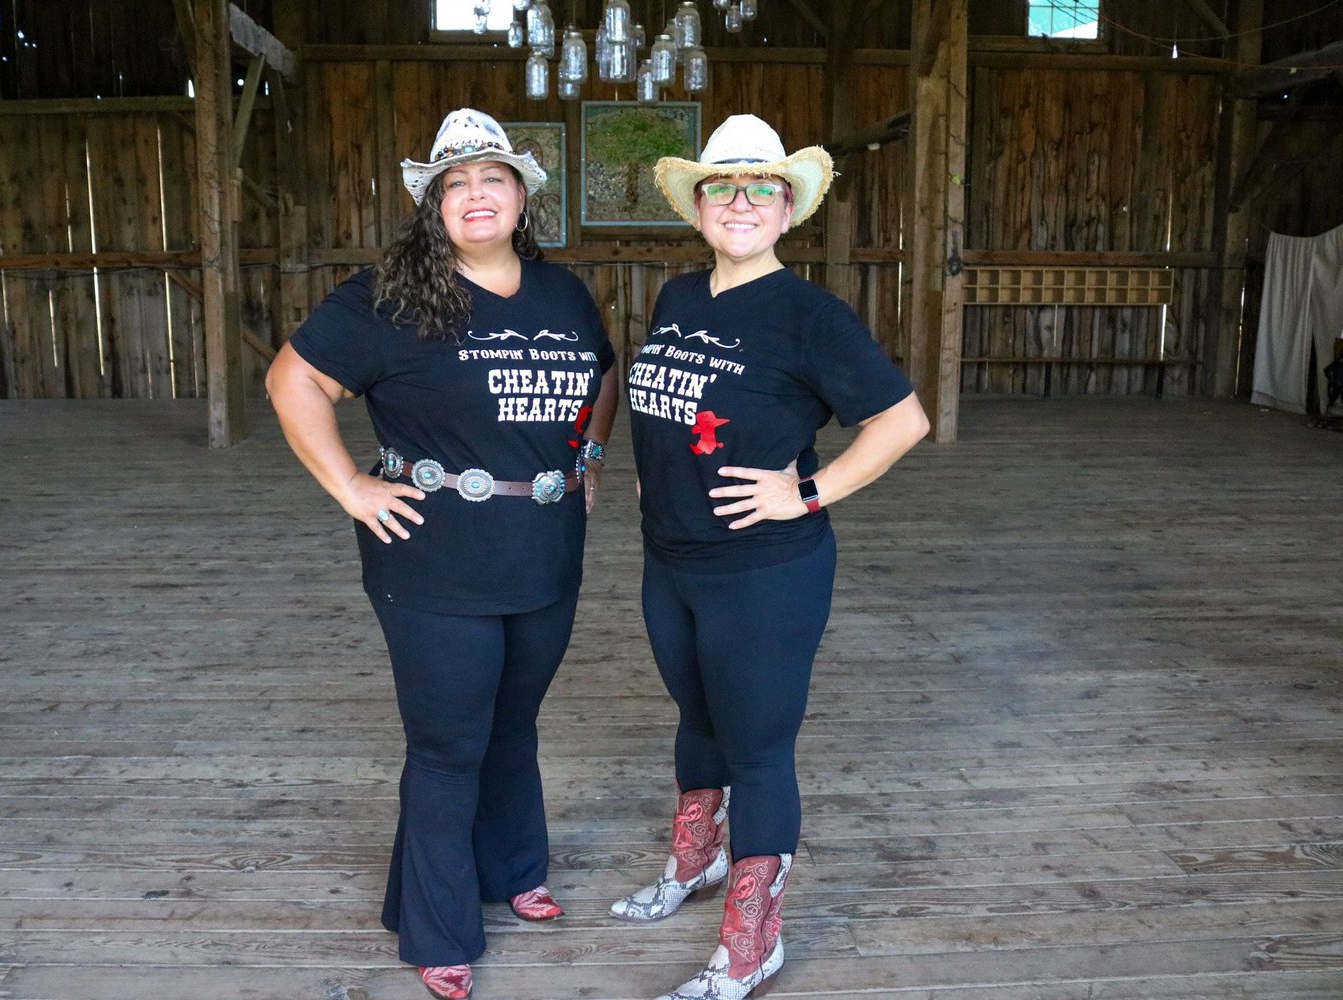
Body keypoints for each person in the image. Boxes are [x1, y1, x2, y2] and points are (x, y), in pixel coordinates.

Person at [266, 108, 618, 1000]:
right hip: (433, 559)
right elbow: (293, 378)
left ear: (522, 197)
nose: (474, 194)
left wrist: (588, 453)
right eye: (454, 182)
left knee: (514, 720)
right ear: (432, 205)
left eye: (492, 177)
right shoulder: (387, 297)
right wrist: (350, 484)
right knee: (448, 741)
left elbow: (601, 372)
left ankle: (513, 867)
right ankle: (437, 925)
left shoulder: (563, 293)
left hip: (543, 550)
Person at [611, 114, 931, 999]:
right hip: (671, 558)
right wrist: (652, 479)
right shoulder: (679, 297)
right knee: (695, 718)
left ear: (788, 210)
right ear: (699, 206)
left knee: (757, 747)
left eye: (761, 189)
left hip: (765, 570)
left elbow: (902, 421)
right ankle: (697, 863)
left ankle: (754, 945)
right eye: (723, 188)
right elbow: (668, 406)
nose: (741, 203)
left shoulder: (810, 315)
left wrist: (809, 490)